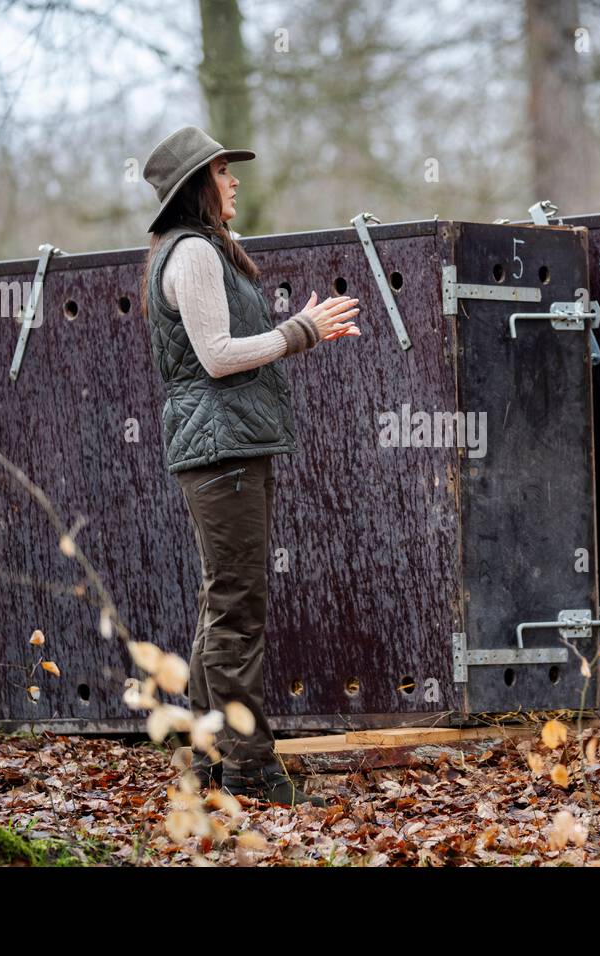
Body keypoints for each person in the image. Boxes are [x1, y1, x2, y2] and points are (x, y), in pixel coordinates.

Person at [141, 126, 359, 807]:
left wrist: (299, 326)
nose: (234, 181)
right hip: (221, 450)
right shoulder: (195, 256)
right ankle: (251, 767)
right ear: (196, 186)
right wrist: (302, 331)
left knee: (222, 604)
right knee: (237, 610)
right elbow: (217, 355)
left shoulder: (194, 253)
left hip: (224, 446)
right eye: (222, 171)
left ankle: (208, 757)